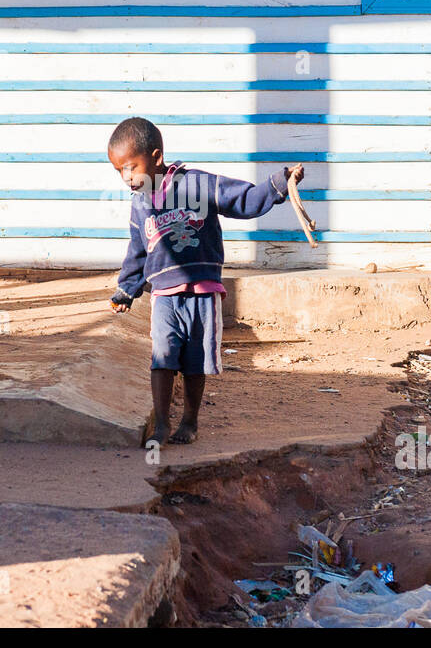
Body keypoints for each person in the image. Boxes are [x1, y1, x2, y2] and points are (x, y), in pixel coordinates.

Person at [106, 116, 303, 445]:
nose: (126, 178)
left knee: (196, 360)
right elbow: (137, 249)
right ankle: (161, 424)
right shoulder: (139, 204)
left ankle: (190, 421)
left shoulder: (198, 184)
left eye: (130, 167)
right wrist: (126, 289)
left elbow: (242, 200)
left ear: (155, 157)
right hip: (164, 295)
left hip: (203, 292)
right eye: (119, 172)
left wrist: (279, 183)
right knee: (163, 355)